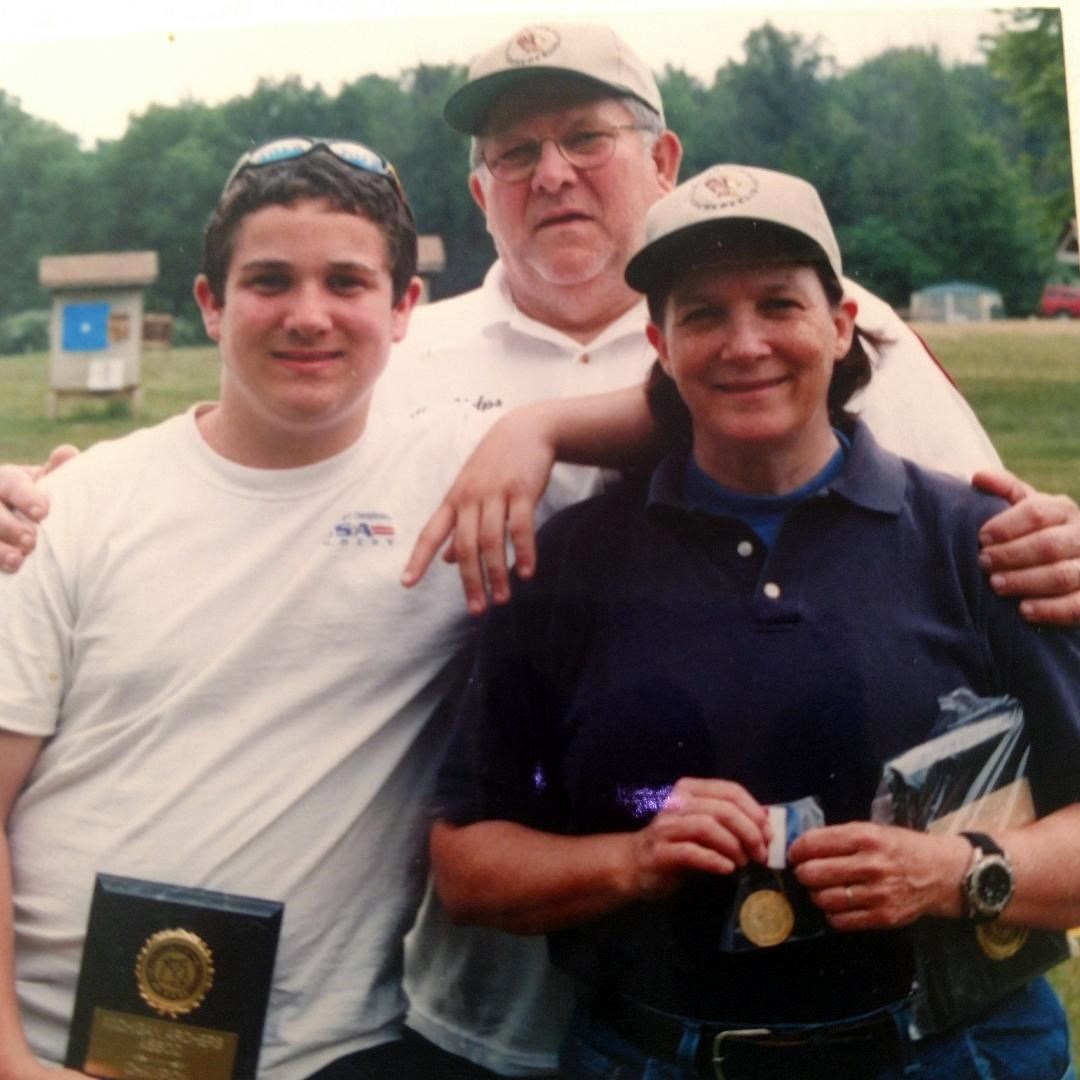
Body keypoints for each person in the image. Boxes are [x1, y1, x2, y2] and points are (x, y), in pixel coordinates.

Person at [2, 22, 1080, 1079]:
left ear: (663, 159)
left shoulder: (853, 335)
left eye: (585, 138)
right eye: (514, 154)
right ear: (480, 194)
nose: (550, 173)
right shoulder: (403, 356)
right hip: (486, 1006)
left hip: (877, 1011)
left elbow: (984, 521)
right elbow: (251, 458)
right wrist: (50, 498)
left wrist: (545, 426)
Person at [0, 135, 654, 1080]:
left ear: (405, 312)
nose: (309, 317)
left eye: (347, 284)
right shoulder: (73, 506)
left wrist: (541, 422)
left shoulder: (466, 480)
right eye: (269, 281)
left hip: (330, 1056)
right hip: (55, 1049)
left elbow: (712, 402)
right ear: (210, 306)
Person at [429, 163, 1080, 1080]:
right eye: (702, 315)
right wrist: (633, 854)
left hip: (954, 1054)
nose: (745, 344)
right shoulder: (569, 564)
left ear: (842, 323)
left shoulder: (979, 544)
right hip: (653, 1056)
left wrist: (955, 873)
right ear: (659, 343)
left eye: (779, 304)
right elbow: (469, 861)